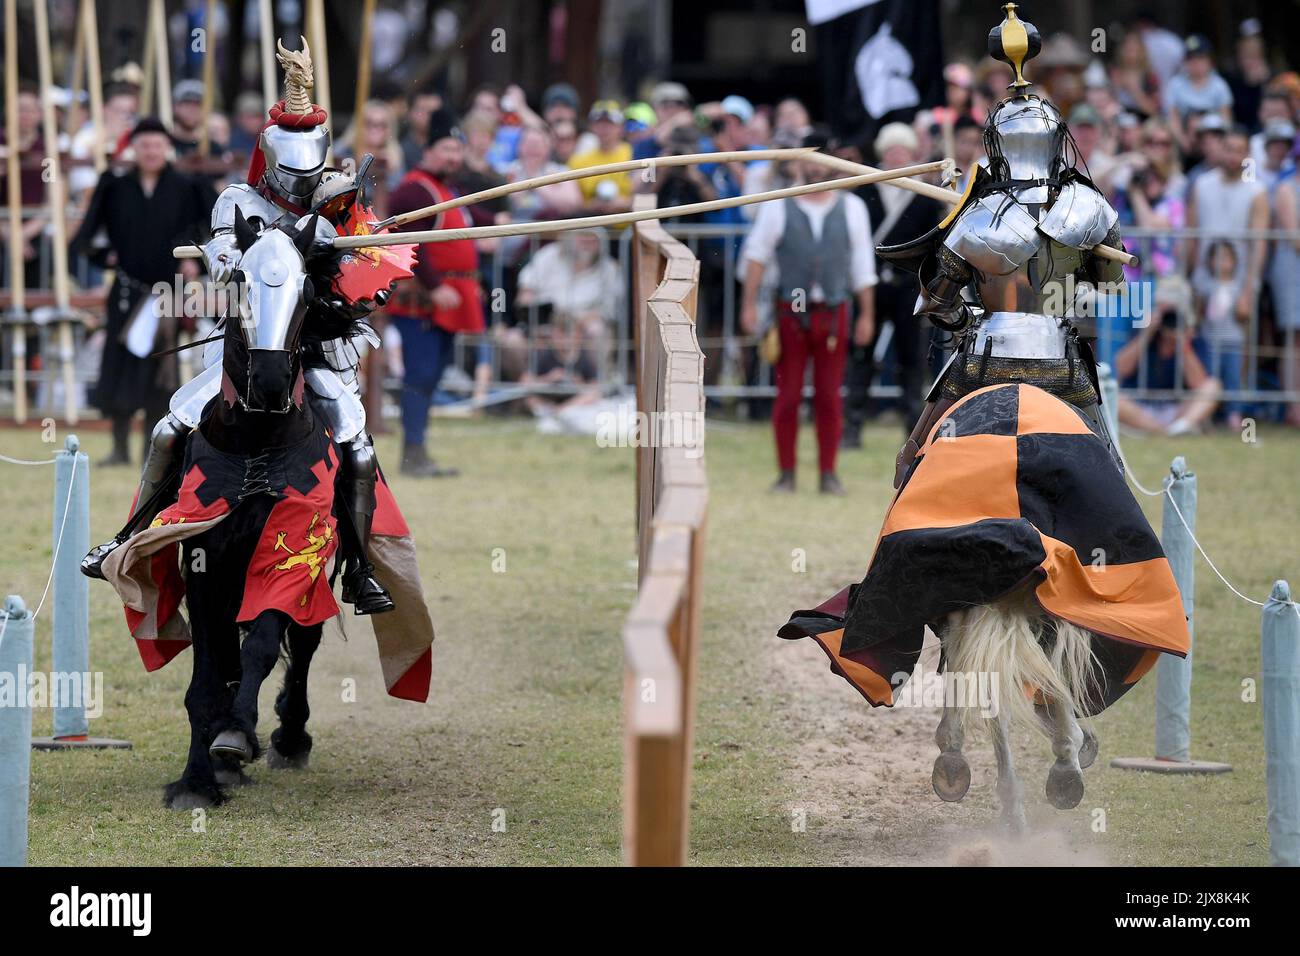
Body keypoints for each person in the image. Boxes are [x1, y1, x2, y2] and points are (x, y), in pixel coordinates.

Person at [80, 39, 397, 616]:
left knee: (356, 444)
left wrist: (351, 240)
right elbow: (225, 257)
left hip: (316, 347)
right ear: (270, 159)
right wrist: (271, 248)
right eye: (290, 173)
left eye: (311, 173)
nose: (301, 185)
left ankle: (358, 569)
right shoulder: (236, 199)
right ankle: (132, 532)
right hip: (247, 351)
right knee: (169, 429)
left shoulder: (337, 203)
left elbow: (366, 276)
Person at [70, 118, 214, 466]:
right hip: (126, 291)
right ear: (134, 149)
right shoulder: (114, 186)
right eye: (144, 146)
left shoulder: (188, 187)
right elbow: (84, 238)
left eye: (157, 145)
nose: (151, 152)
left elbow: (215, 233)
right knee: (118, 367)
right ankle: (119, 449)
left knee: (161, 375)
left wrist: (197, 259)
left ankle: (156, 451)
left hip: (168, 293)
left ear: (167, 148)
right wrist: (107, 257)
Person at [740, 140, 877, 495]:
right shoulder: (779, 206)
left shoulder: (852, 207)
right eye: (810, 161)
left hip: (834, 312)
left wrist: (867, 315)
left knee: (830, 397)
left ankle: (828, 473)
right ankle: (786, 473)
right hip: (792, 311)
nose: (816, 168)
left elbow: (863, 265)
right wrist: (749, 304)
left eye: (822, 161)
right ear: (800, 164)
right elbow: (756, 256)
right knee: (787, 395)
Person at [386, 109, 485, 477]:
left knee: (430, 374)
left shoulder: (446, 189)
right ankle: (413, 455)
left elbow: (473, 221)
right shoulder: (415, 188)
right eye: (447, 149)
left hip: (446, 298)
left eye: (458, 150)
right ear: (427, 150)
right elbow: (410, 241)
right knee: (420, 373)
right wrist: (436, 285)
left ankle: (418, 450)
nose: (454, 157)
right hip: (422, 302)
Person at [842, 123, 943, 449]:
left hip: (908, 287)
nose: (897, 155)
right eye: (891, 150)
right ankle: (852, 427)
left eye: (903, 150)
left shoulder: (927, 196)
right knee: (862, 354)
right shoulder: (864, 189)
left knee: (910, 359)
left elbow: (933, 244)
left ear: (913, 154)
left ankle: (912, 430)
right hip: (871, 284)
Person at [1114, 275, 1221, 435]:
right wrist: (1146, 334)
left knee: (1213, 387)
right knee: (1112, 396)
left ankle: (1180, 427)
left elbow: (1198, 383)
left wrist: (1183, 344)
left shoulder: (1193, 337)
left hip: (1177, 409)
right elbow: (1121, 368)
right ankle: (1164, 432)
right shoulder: (1145, 330)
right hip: (1142, 409)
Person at [1164, 35, 1234, 155]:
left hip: (1213, 139)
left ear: (1210, 61)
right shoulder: (1175, 84)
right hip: (1183, 141)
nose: (1195, 63)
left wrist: (1216, 143)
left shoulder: (1219, 85)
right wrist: (1183, 140)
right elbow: (1172, 118)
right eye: (1191, 59)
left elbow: (1226, 120)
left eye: (1200, 58)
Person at [568, 102, 633, 214]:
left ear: (620, 127)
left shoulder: (634, 155)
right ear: (591, 127)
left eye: (610, 123)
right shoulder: (577, 161)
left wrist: (626, 203)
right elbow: (571, 204)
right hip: (590, 227)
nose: (604, 129)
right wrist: (591, 206)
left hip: (630, 226)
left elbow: (648, 195)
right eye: (599, 123)